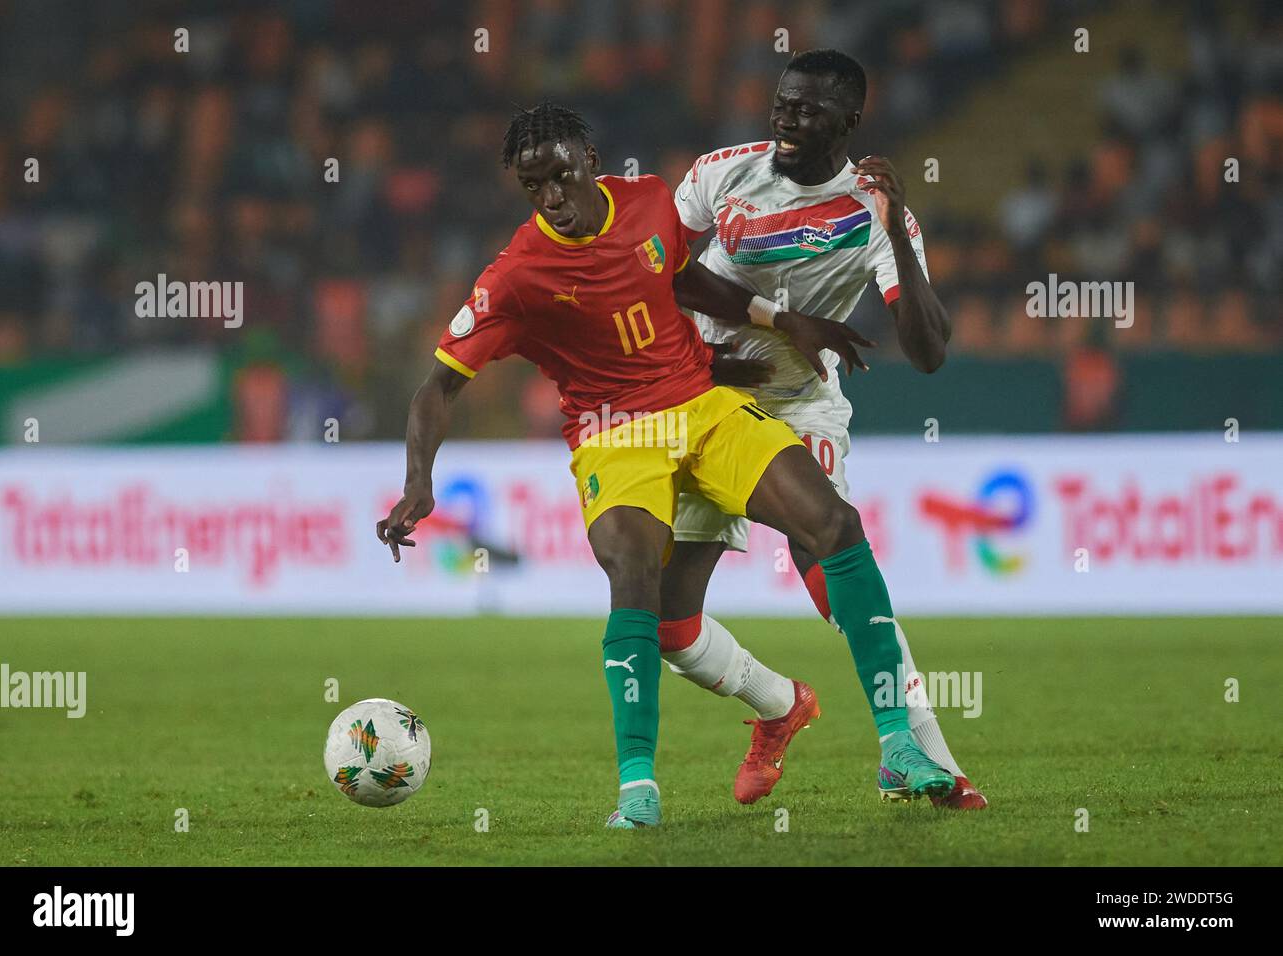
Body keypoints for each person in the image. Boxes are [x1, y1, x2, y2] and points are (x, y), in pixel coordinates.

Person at [377, 101, 955, 828]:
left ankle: (900, 742)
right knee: (637, 581)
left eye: (560, 175)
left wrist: (780, 322)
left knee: (832, 523)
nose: (552, 197)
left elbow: (684, 280)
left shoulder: (650, 200)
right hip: (612, 434)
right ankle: (639, 790)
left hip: (703, 407)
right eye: (533, 187)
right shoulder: (518, 274)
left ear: (589, 158)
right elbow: (438, 385)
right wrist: (417, 484)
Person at [662, 49, 987, 810]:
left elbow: (930, 352)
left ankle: (912, 751)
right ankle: (780, 707)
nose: (786, 117)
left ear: (850, 122)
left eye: (808, 109)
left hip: (798, 402)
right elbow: (660, 269)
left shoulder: (872, 213)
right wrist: (771, 322)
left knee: (831, 550)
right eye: (782, 102)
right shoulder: (724, 173)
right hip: (704, 394)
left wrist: (897, 234)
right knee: (669, 627)